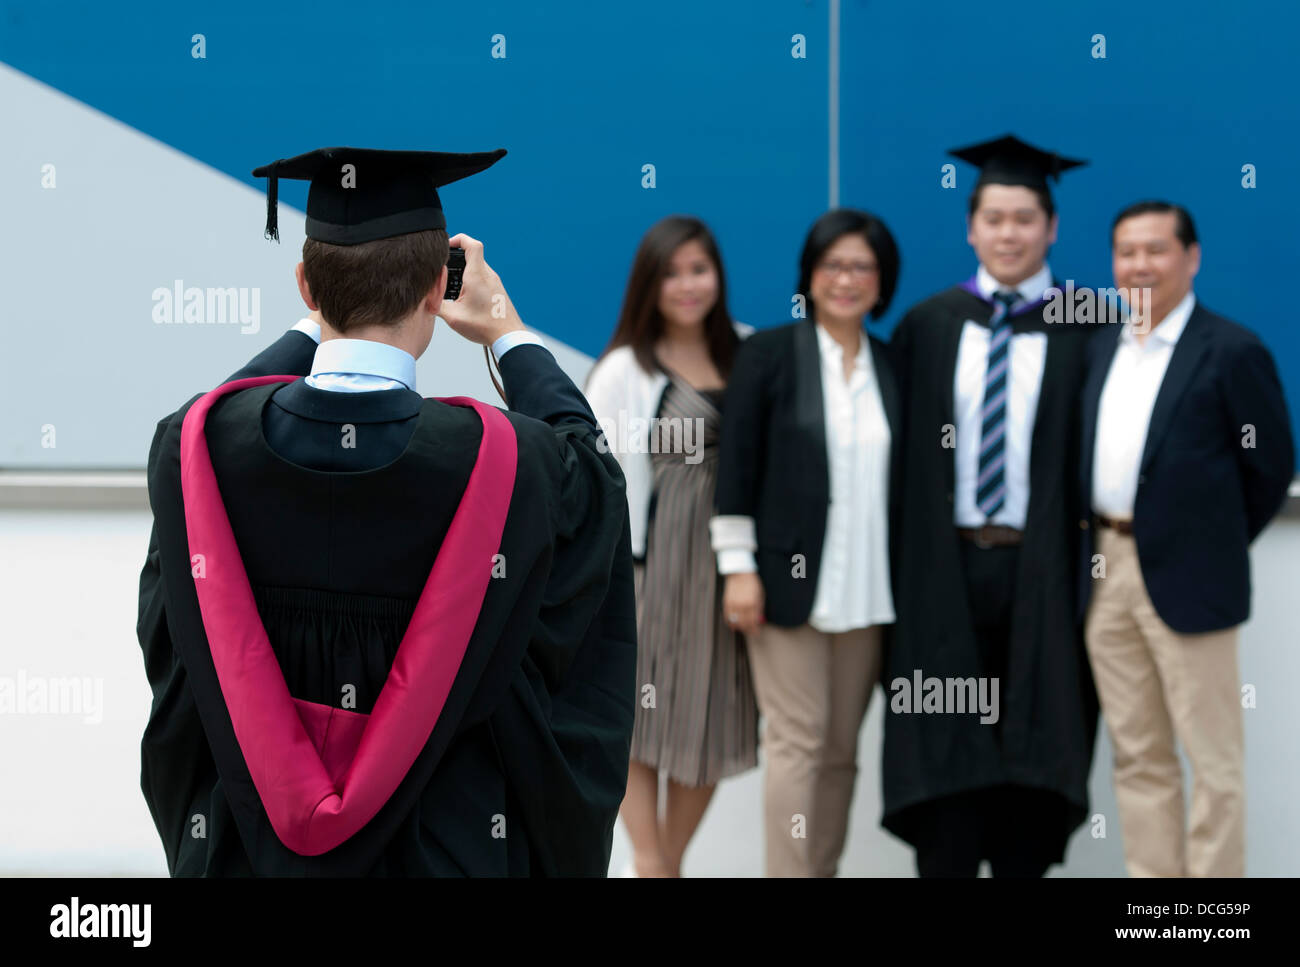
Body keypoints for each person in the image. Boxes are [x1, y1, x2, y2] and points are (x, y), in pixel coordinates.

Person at [136, 146, 637, 876]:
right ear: (440, 288)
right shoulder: (509, 463)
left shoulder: (200, 451)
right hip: (449, 850)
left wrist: (322, 319)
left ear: (305, 285)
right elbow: (593, 474)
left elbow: (206, 418)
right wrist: (508, 333)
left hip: (248, 855)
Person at [884, 135, 1099, 877]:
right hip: (946, 566)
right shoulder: (929, 325)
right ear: (972, 227)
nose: (1009, 234)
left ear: (1052, 228)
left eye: (1025, 218)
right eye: (995, 218)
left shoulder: (1088, 325)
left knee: (1038, 730)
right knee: (947, 729)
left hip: (1045, 570)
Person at [1078, 201, 1293, 877]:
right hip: (1105, 569)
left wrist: (1212, 542)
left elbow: (1270, 468)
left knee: (1214, 759)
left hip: (1192, 576)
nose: (1139, 265)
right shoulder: (1098, 347)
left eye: (1156, 250)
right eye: (1126, 252)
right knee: (1139, 754)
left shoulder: (1231, 350)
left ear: (1191, 257)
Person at [711, 209, 902, 877]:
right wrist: (738, 566)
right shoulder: (769, 354)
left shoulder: (890, 364)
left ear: (882, 281)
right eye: (833, 265)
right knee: (798, 743)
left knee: (842, 750)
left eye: (862, 266)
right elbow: (737, 465)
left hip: (868, 592)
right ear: (810, 276)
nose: (846, 279)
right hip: (784, 586)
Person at [585, 215, 758, 877]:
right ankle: (652, 861)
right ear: (648, 284)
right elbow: (594, 474)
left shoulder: (749, 351)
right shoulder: (626, 368)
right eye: (672, 272)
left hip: (727, 570)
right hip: (646, 570)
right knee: (638, 712)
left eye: (699, 269)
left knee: (705, 715)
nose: (687, 285)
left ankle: (669, 863)